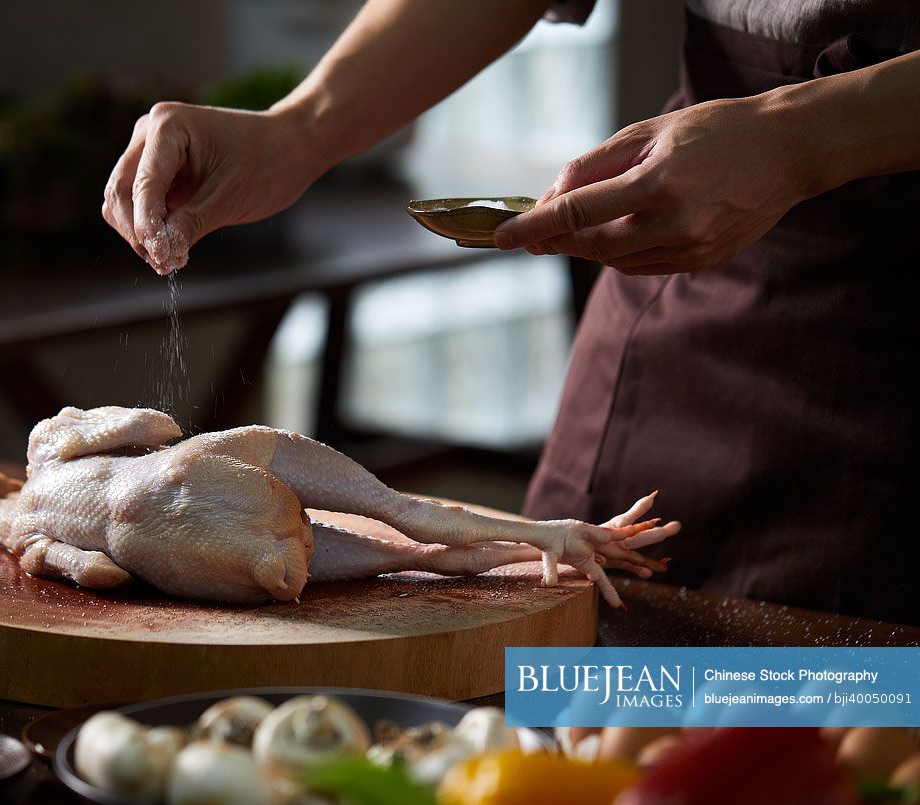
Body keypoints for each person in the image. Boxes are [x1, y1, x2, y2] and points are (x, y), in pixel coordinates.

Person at [103, 0, 920, 624]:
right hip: (697, 277)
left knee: (854, 743)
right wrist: (298, 127)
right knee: (562, 696)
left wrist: (805, 138)